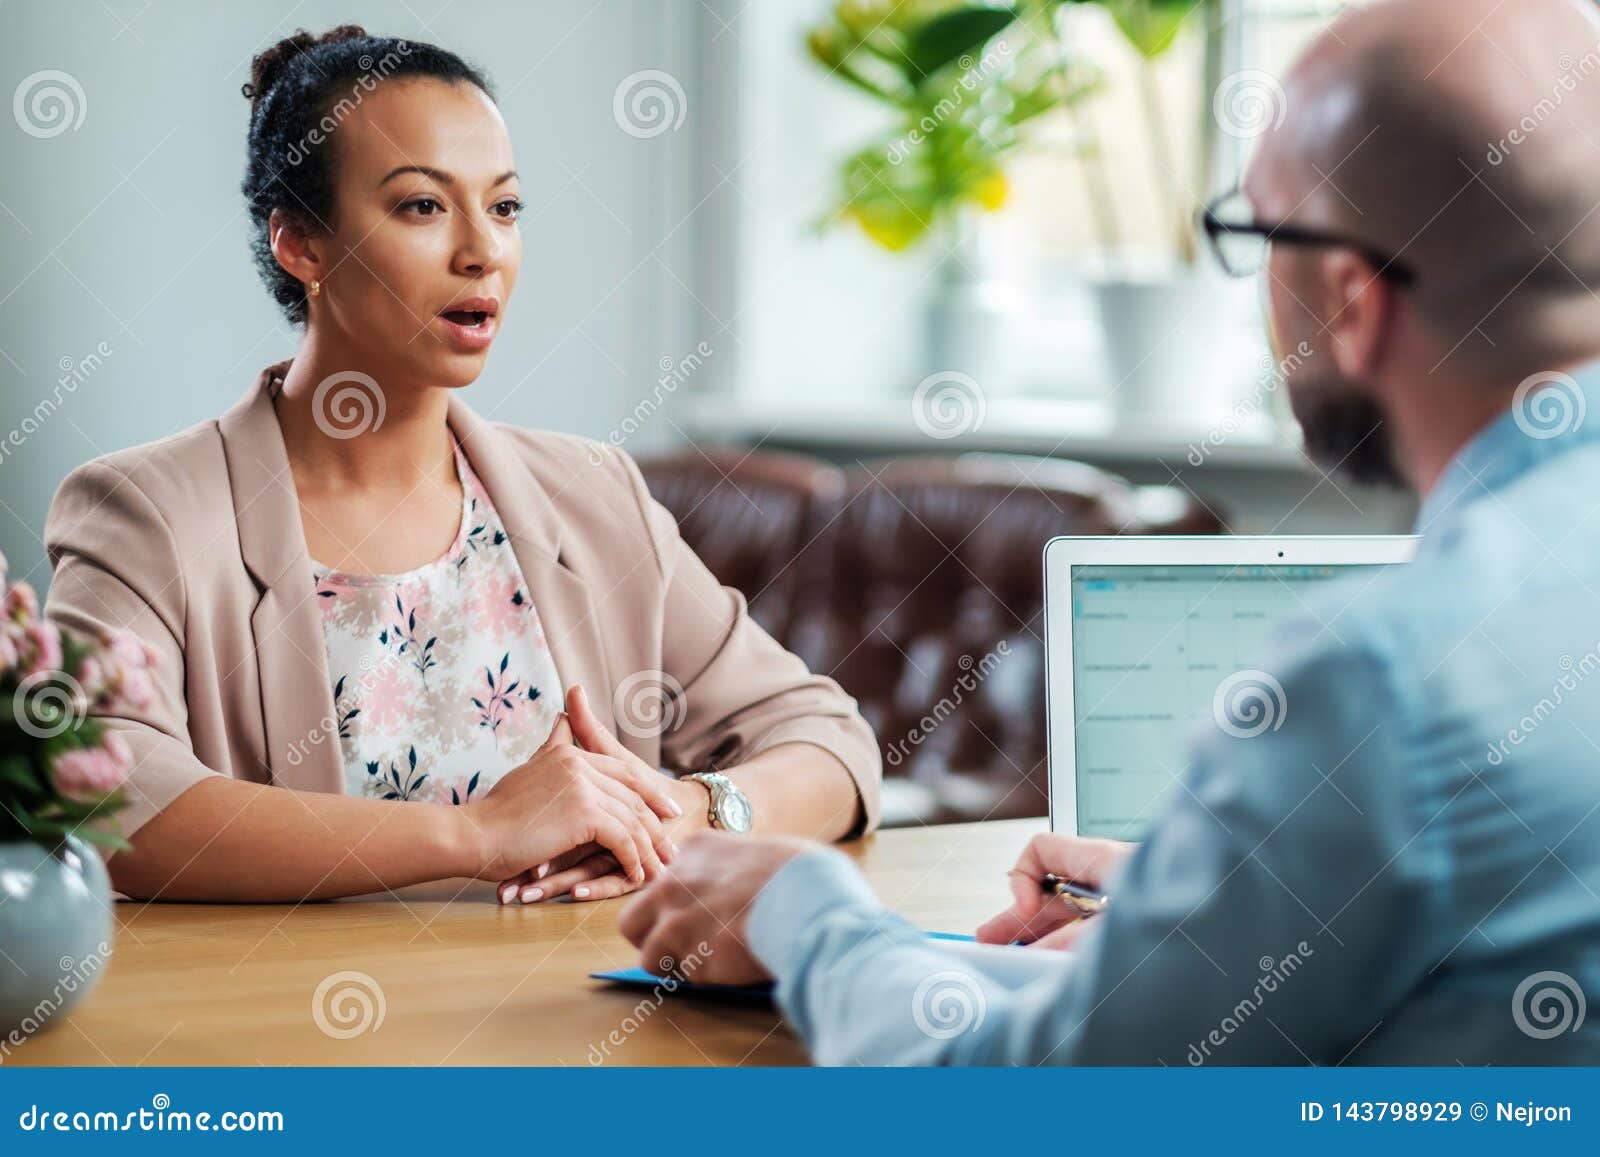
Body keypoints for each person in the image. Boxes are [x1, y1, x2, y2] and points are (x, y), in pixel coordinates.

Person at [620, 0, 1600, 1065]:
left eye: (1256, 235)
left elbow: (1043, 1097)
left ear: (1351, 304)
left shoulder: (1385, 678)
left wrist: (807, 910)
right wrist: (1232, 900)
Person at [41, 27, 880, 904]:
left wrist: (689, 808)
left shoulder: (594, 495)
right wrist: (476, 834)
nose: (483, 250)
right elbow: (104, 795)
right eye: (422, 206)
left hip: (581, 1026)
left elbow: (828, 741)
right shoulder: (146, 510)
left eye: (506, 207)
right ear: (300, 243)